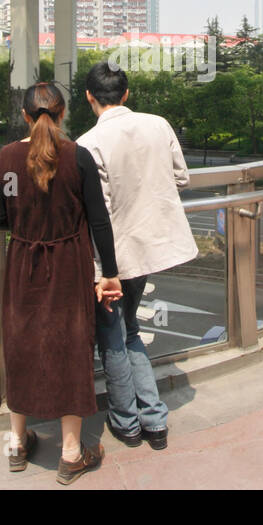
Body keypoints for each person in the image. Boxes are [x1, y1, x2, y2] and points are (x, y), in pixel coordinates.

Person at [0, 82, 123, 485]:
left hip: (24, 262)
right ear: (63, 115)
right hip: (68, 265)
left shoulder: (7, 158)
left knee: (21, 343)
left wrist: (27, 223)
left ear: (25, 116)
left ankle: (16, 442)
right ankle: (71, 452)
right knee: (72, 345)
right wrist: (109, 273)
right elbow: (99, 220)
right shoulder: (78, 157)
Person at [77, 61, 198, 451]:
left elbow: (97, 211)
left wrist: (102, 270)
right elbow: (182, 178)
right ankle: (154, 421)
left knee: (114, 336)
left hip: (112, 258)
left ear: (89, 97)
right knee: (128, 330)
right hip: (149, 248)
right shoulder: (158, 124)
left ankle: (128, 422)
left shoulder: (87, 144)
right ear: (126, 94)